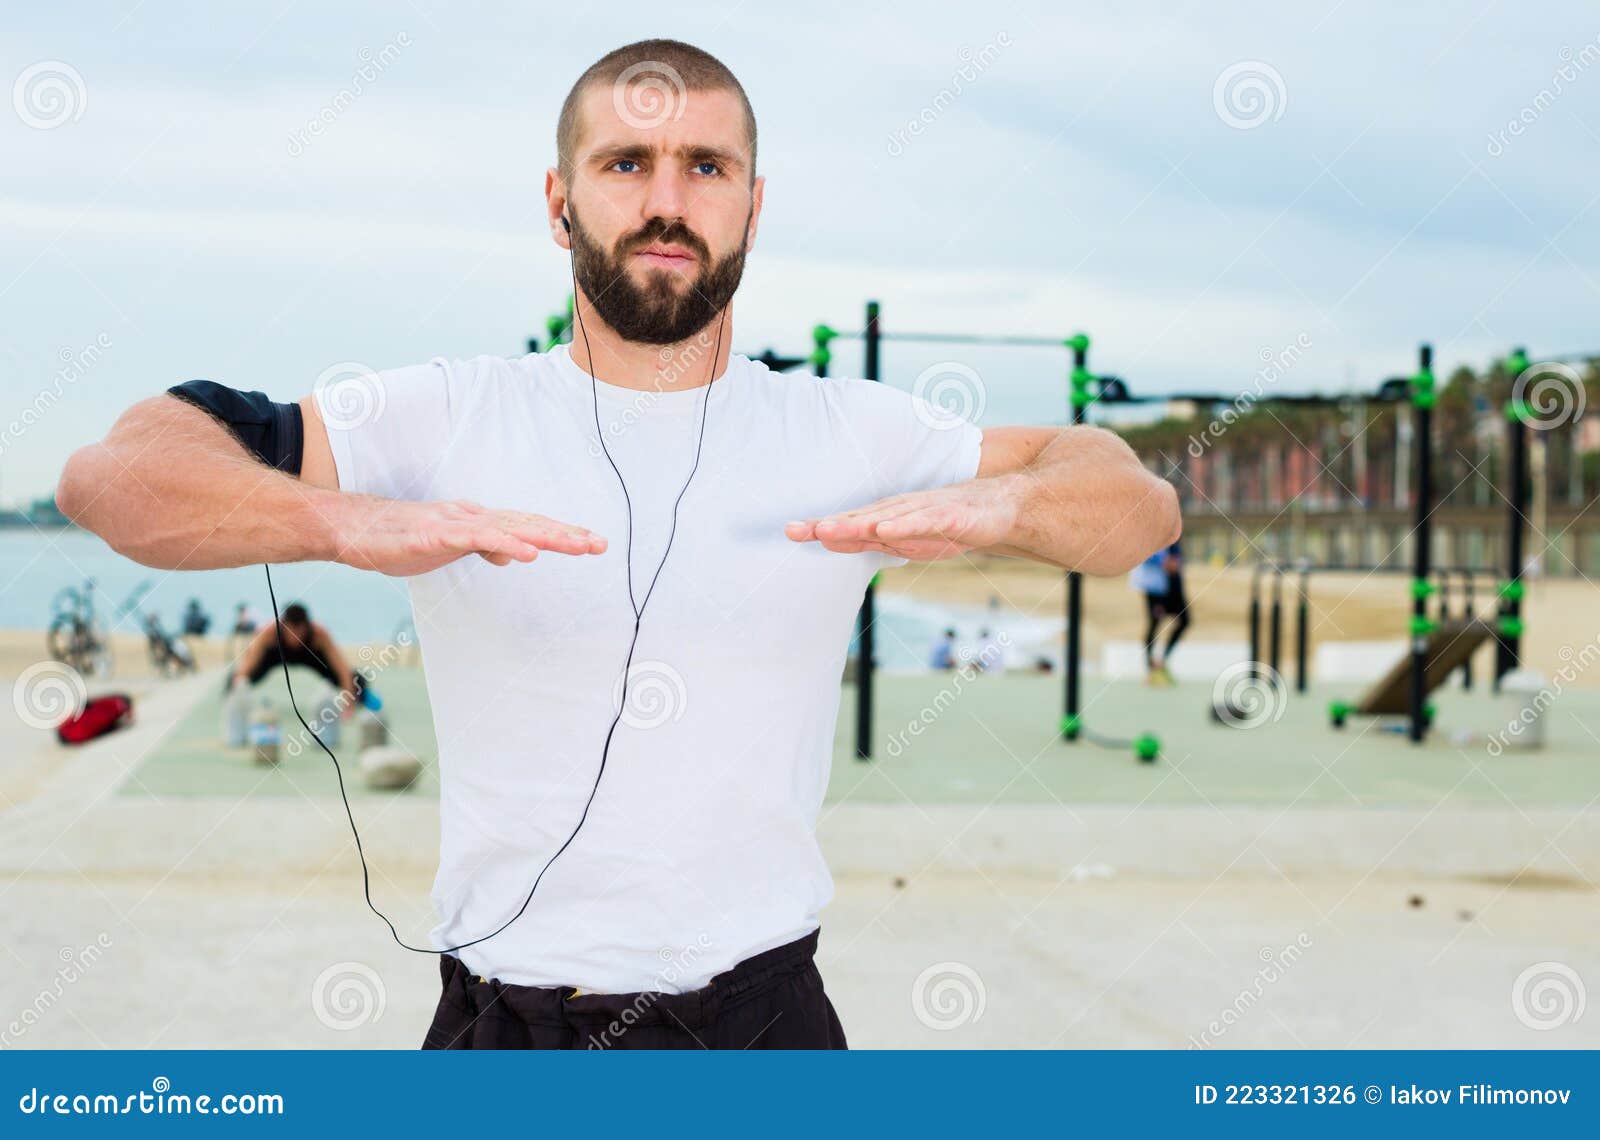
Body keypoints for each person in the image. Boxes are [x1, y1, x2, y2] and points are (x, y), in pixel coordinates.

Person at [55, 38, 1180, 1051]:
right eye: (626, 163)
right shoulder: (437, 417)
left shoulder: (852, 430)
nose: (667, 200)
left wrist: (1014, 511)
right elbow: (117, 475)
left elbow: (1129, 499)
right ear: (559, 201)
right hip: (503, 1027)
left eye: (705, 165)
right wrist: (344, 523)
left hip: (763, 1026)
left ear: (753, 203)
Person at [228, 602, 364, 714]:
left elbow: (341, 668)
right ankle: (229, 698)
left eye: (299, 630)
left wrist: (349, 703)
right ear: (283, 625)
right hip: (276, 655)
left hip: (309, 656)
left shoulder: (319, 634)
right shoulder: (269, 632)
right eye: (291, 630)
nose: (295, 636)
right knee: (236, 679)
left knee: (356, 680)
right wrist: (238, 686)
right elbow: (249, 664)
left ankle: (363, 699)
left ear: (307, 626)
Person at [1131, 538, 1188, 685]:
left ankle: (1162, 661)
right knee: (1154, 623)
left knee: (1185, 620)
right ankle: (1151, 669)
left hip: (1173, 584)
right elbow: (1140, 551)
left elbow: (1176, 549)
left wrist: (1177, 561)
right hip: (1156, 587)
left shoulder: (1174, 525)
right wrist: (1163, 561)